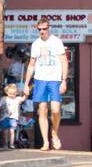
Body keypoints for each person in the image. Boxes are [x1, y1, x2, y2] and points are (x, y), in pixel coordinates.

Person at [23, 18, 69, 151]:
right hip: (40, 80)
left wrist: (64, 80)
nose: (42, 31)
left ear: (49, 28)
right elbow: (31, 65)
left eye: (44, 29)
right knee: (42, 110)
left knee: (55, 109)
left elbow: (64, 61)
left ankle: (54, 133)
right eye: (39, 29)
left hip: (54, 80)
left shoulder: (56, 42)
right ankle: (45, 142)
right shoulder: (36, 44)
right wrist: (26, 84)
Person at [0, 82, 24, 149]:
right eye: (10, 93)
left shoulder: (17, 99)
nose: (12, 95)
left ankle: (11, 144)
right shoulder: (4, 99)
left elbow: (23, 98)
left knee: (12, 131)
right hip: (4, 118)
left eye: (14, 94)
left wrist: (26, 93)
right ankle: (6, 144)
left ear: (16, 93)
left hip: (13, 118)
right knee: (5, 132)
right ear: (6, 92)